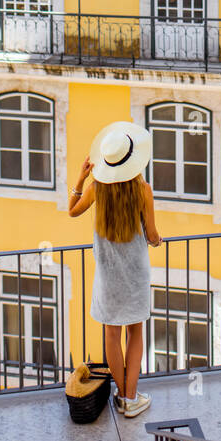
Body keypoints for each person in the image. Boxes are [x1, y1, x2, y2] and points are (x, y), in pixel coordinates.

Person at [68, 121, 162, 418]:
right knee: (135, 333)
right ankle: (130, 399)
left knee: (112, 335)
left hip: (107, 275)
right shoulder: (143, 191)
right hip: (135, 274)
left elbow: (72, 210)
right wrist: (159, 242)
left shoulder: (97, 189)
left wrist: (80, 179)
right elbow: (152, 235)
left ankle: (122, 395)